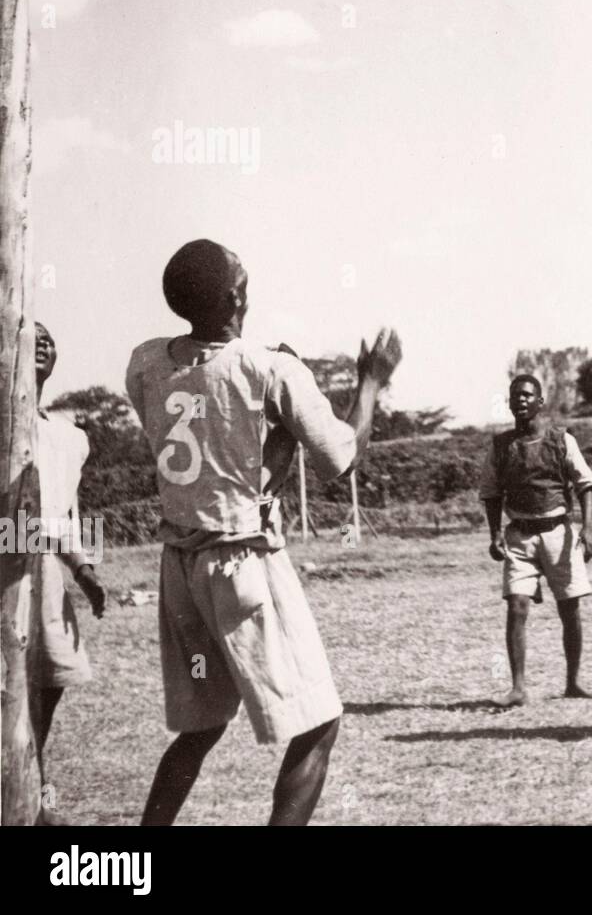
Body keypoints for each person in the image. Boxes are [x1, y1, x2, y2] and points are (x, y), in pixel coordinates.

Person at [127, 238, 401, 825]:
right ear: (236, 295)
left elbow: (203, 425)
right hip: (242, 565)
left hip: (179, 568)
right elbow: (340, 458)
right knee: (319, 722)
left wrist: (262, 443)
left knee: (200, 730)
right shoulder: (270, 366)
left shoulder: (146, 362)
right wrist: (372, 381)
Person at [481, 374, 592, 706]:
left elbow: (586, 485)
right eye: (515, 395)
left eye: (527, 395)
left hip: (559, 533)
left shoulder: (562, 440)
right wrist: (493, 533)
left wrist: (588, 529)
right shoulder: (501, 446)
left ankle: (573, 682)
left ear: (540, 401)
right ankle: (518, 688)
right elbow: (490, 493)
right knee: (516, 606)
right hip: (519, 535)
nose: (520, 400)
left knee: (569, 608)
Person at [32, 322, 106, 825]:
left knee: (47, 682)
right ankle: (29, 796)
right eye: (27, 335)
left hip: (43, 573)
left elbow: (65, 518)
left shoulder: (67, 436)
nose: (41, 342)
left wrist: (83, 570)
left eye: (48, 336)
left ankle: (32, 790)